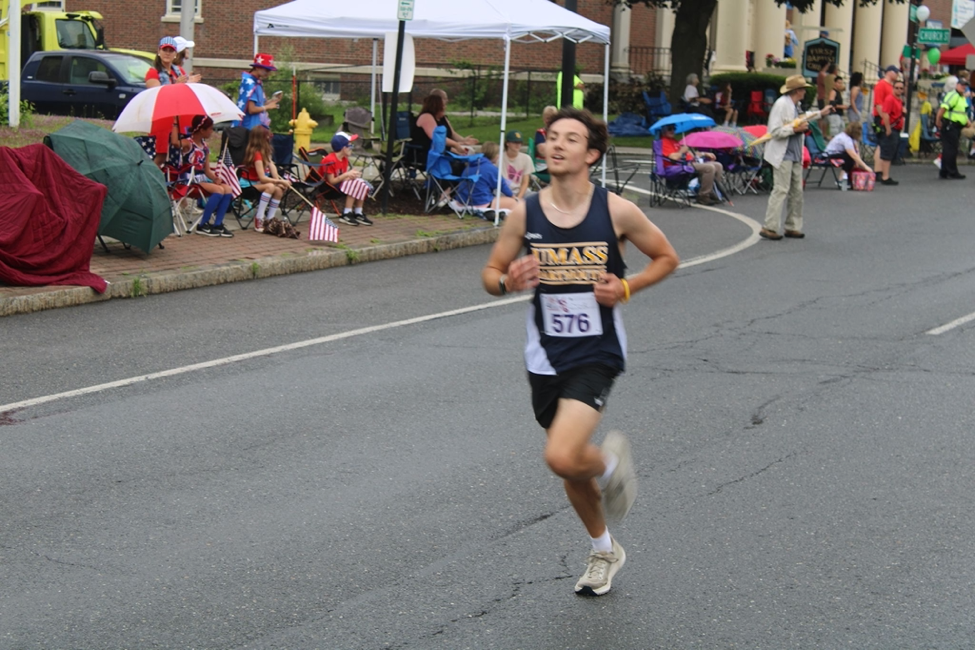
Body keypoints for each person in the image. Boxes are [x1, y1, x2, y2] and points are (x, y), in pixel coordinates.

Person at [480, 107, 679, 597]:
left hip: (597, 352)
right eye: (552, 138)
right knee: (569, 466)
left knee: (562, 455)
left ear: (591, 154)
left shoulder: (615, 211)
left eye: (573, 138)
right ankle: (605, 549)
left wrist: (626, 288)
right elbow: (490, 273)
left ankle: (610, 465)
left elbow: (667, 257)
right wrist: (506, 280)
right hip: (544, 356)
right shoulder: (526, 212)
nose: (559, 144)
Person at [762, 75, 832, 240]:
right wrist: (795, 130)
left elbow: (802, 118)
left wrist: (820, 113)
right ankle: (769, 226)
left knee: (797, 191)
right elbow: (775, 131)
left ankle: (792, 226)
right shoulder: (781, 105)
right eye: (803, 89)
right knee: (781, 189)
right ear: (797, 91)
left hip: (794, 154)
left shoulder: (795, 105)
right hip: (783, 153)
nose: (805, 92)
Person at [145, 37, 201, 167]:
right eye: (165, 50)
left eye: (171, 50)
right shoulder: (153, 72)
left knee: (176, 152)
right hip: (162, 118)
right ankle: (152, 181)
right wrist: (176, 84)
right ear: (159, 51)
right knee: (161, 154)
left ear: (175, 53)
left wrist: (188, 83)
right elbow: (156, 94)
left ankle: (172, 181)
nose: (168, 53)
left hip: (177, 118)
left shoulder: (179, 71)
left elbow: (183, 93)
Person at [181, 116, 235, 237]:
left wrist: (215, 178)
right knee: (218, 190)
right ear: (202, 130)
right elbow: (175, 143)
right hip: (189, 181)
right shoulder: (187, 143)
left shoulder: (205, 148)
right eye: (210, 129)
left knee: (228, 189)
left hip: (201, 180)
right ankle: (202, 224)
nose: (212, 131)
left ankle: (218, 224)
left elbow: (207, 170)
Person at [659, 123, 724, 206]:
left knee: (718, 165)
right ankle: (703, 196)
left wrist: (704, 153)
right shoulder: (663, 142)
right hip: (678, 166)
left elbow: (689, 154)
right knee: (709, 168)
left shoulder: (674, 141)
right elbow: (673, 158)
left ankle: (712, 191)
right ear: (663, 130)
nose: (672, 131)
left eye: (673, 129)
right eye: (669, 129)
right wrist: (682, 150)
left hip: (688, 162)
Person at [240, 126, 291, 232]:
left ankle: (270, 219)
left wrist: (279, 183)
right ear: (262, 138)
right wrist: (281, 181)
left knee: (278, 189)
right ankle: (259, 218)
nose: (270, 137)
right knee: (270, 186)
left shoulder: (265, 151)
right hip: (248, 185)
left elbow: (271, 166)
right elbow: (263, 179)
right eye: (268, 135)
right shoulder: (257, 154)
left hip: (259, 184)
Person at [323, 131, 373, 226]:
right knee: (354, 184)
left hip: (339, 184)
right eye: (350, 145)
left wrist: (350, 176)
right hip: (328, 188)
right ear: (343, 148)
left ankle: (358, 212)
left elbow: (342, 177)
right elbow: (331, 181)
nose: (352, 148)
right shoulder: (330, 160)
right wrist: (346, 175)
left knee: (360, 182)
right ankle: (346, 213)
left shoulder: (344, 159)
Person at [455, 141, 518, 216]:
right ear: (494, 155)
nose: (498, 156)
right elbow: (502, 186)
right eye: (498, 154)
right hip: (480, 202)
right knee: (514, 203)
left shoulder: (471, 164)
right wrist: (514, 197)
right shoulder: (491, 168)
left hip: (463, 200)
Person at [413, 93, 469, 158]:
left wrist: (463, 142)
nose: (445, 107)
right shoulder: (426, 117)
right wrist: (455, 145)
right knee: (459, 161)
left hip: (439, 150)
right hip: (425, 153)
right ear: (437, 106)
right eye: (444, 105)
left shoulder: (441, 118)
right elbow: (438, 138)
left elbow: (451, 134)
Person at [936, 77, 971, 180]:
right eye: (962, 85)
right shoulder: (953, 95)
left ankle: (945, 171)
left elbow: (961, 112)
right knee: (951, 150)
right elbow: (943, 108)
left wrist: (967, 121)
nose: (963, 87)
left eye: (965, 85)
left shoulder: (961, 97)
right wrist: (938, 120)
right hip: (950, 125)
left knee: (949, 149)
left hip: (955, 126)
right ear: (956, 85)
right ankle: (952, 172)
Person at [233, 53, 280, 131]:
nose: (268, 73)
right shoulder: (250, 83)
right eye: (267, 70)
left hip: (257, 127)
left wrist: (273, 101)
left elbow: (260, 104)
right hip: (249, 128)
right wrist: (268, 107)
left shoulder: (257, 83)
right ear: (257, 68)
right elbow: (252, 109)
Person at [825, 121, 872, 190]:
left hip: (838, 153)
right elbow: (853, 155)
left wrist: (857, 162)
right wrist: (865, 166)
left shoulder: (851, 138)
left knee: (850, 158)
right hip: (829, 155)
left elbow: (856, 151)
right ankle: (841, 179)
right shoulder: (846, 139)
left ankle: (847, 178)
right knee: (849, 157)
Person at [876, 77, 905, 186]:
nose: (899, 90)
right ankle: (885, 176)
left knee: (890, 152)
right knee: (887, 153)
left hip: (896, 129)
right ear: (893, 88)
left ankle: (885, 175)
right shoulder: (890, 99)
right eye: (896, 88)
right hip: (891, 129)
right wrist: (888, 129)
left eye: (901, 88)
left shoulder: (899, 100)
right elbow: (885, 114)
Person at [871, 65, 899, 179]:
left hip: (888, 119)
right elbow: (878, 104)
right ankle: (878, 170)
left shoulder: (890, 86)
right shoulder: (882, 84)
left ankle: (881, 170)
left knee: (884, 145)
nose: (897, 75)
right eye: (896, 72)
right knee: (881, 145)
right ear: (890, 72)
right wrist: (884, 119)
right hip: (881, 118)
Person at [502, 130, 535, 200]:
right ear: (507, 143)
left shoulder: (526, 158)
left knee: (535, 197)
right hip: (504, 191)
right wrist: (512, 197)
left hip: (521, 191)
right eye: (515, 142)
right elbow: (502, 182)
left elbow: (525, 182)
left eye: (520, 142)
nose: (518, 145)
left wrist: (518, 198)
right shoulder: (500, 159)